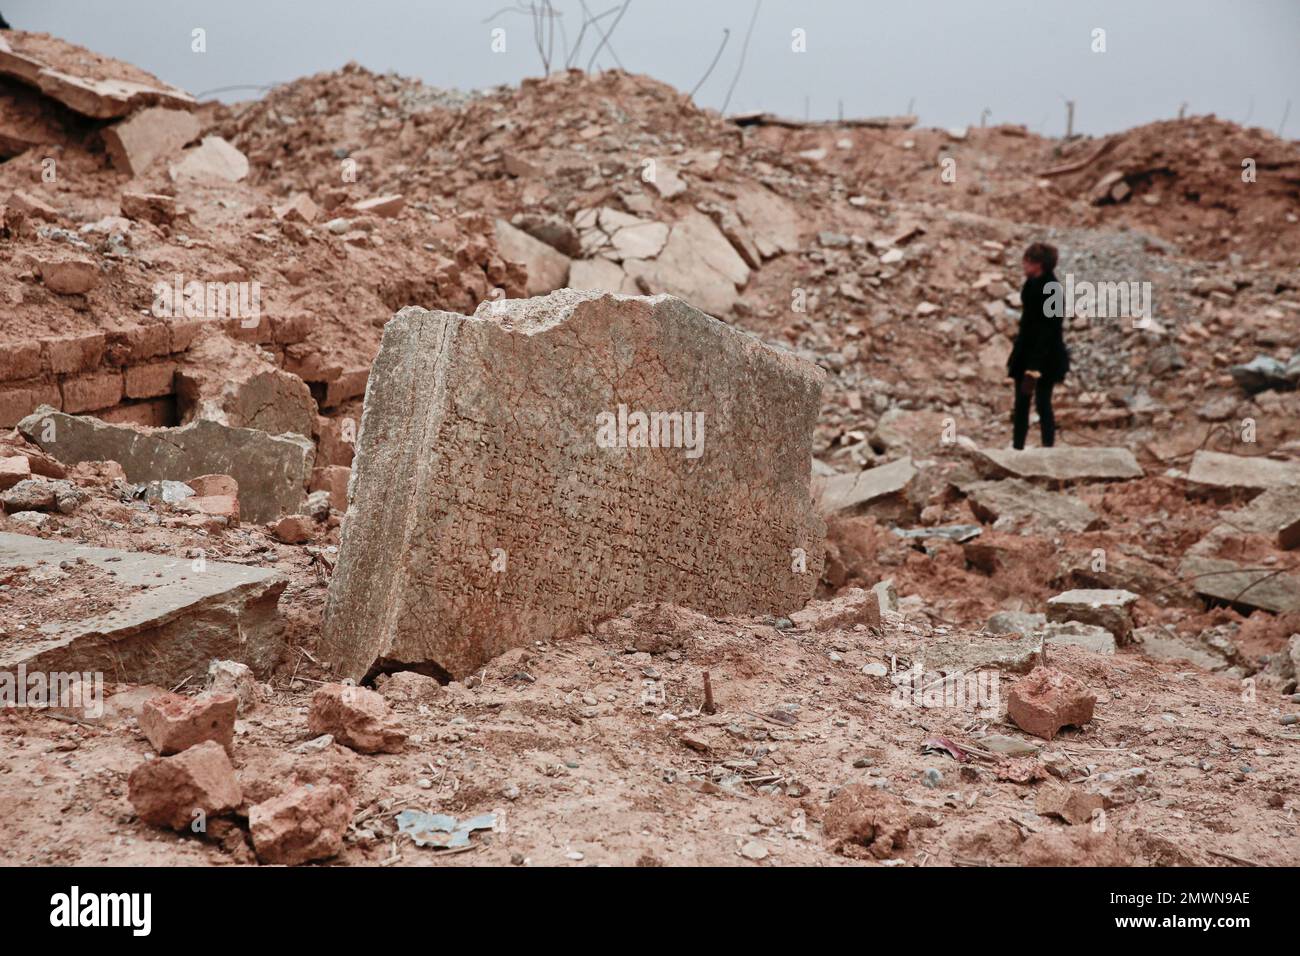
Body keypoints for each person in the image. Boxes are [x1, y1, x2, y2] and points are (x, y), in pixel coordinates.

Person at [1006, 242, 1069, 449]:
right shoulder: (1031, 284)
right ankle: (1018, 447)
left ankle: (1048, 447)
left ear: (1038, 264)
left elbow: (1050, 329)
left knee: (1043, 403)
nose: (1023, 265)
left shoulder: (1052, 289)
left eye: (1027, 261)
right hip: (1027, 352)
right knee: (1021, 403)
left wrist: (1035, 365)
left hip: (1046, 356)